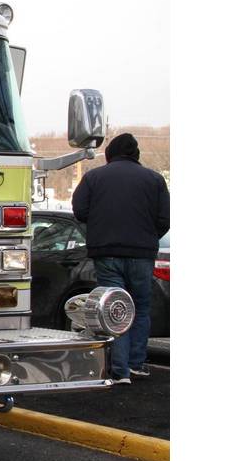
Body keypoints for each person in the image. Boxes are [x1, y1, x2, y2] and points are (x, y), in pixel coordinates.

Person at [71, 133, 170, 385]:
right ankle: (137, 364)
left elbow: (80, 211)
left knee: (113, 308)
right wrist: (147, 238)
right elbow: (165, 219)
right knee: (140, 308)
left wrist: (101, 228)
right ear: (136, 155)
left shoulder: (93, 177)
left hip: (107, 253)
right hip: (142, 255)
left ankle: (120, 370)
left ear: (109, 154)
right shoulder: (155, 180)